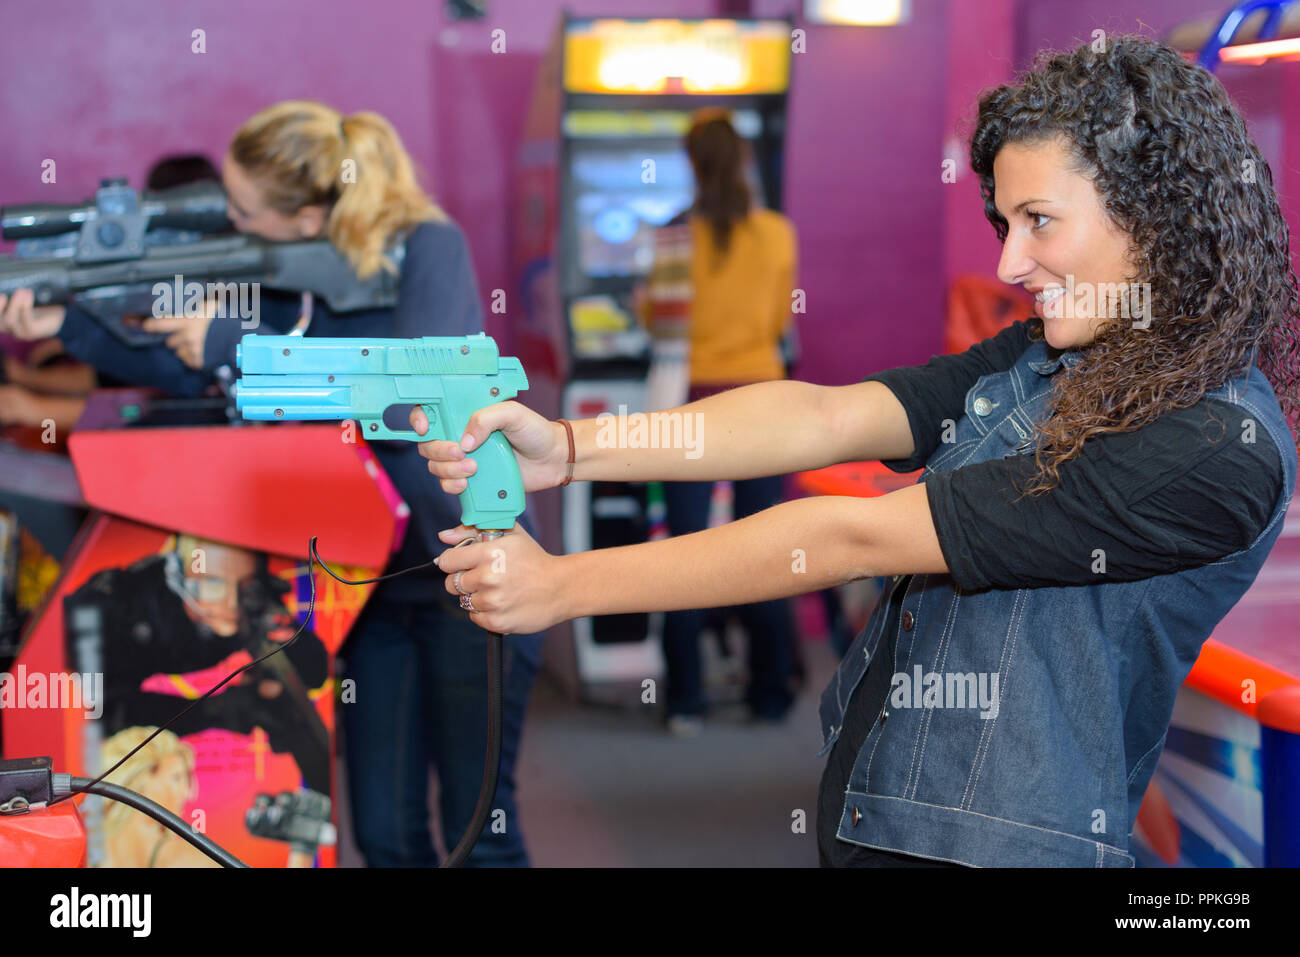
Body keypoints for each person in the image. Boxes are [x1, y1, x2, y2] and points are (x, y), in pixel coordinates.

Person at [416, 36, 1298, 866]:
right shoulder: (1057, 356)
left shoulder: (1213, 442)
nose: (1011, 262)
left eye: (1039, 219)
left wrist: (560, 584)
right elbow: (829, 416)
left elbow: (857, 536)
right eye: (1004, 223)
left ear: (1151, 215)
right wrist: (570, 448)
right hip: (886, 811)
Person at [0, 100, 542, 867]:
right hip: (377, 579)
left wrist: (230, 337)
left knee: (478, 829)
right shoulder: (285, 276)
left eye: (244, 206)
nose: (229, 217)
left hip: (474, 566)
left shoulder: (428, 245)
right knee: (386, 832)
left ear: (309, 211)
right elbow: (188, 363)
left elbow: (406, 393)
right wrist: (63, 324)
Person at [638, 109, 799, 735]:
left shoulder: (676, 236)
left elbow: (662, 325)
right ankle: (769, 692)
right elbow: (781, 326)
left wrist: (639, 303)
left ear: (693, 165)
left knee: (684, 551)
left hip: (692, 406)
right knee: (767, 546)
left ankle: (685, 700)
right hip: (765, 403)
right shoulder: (779, 233)